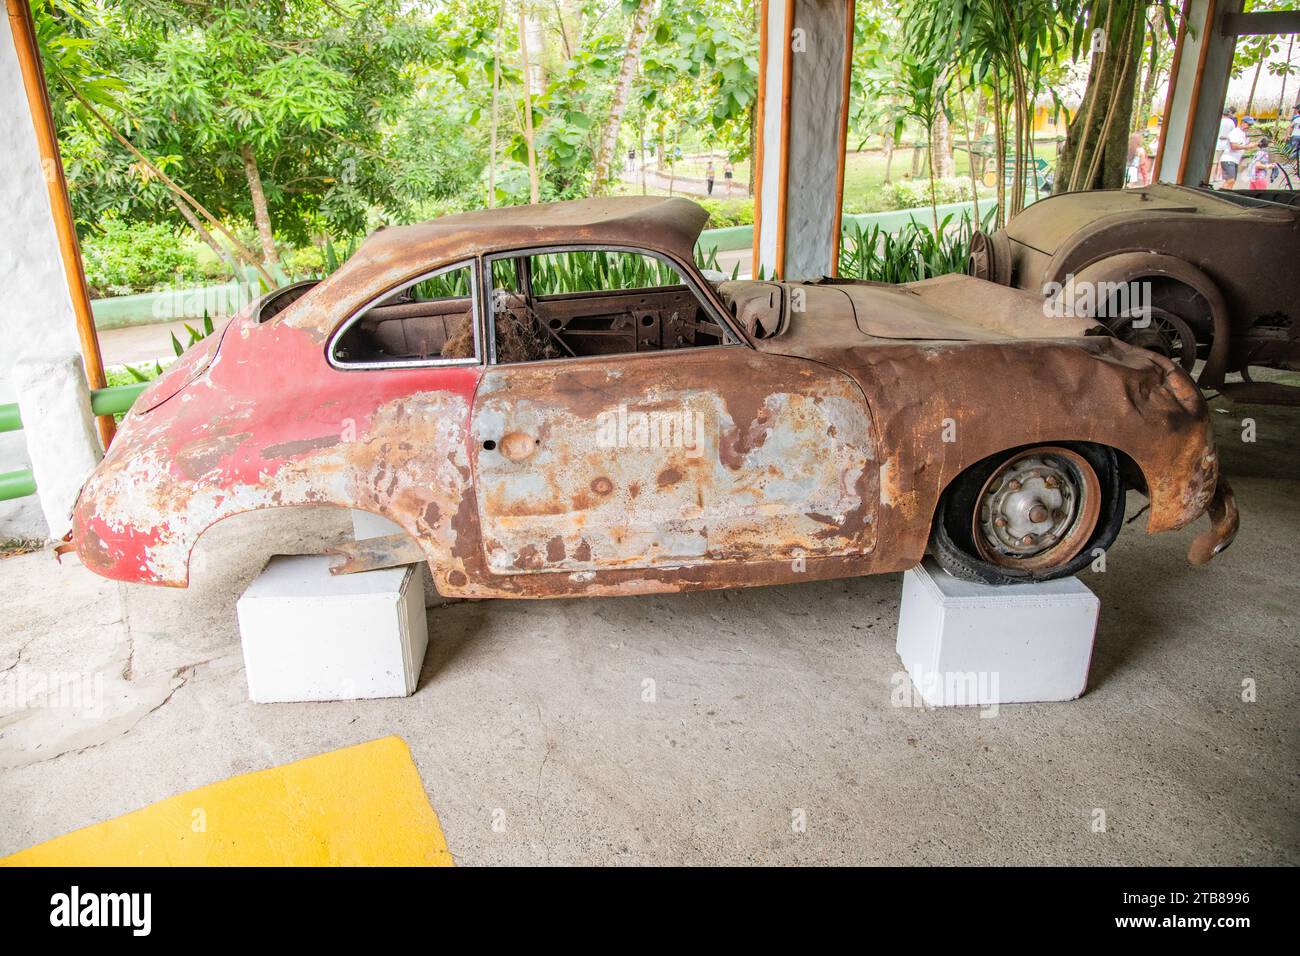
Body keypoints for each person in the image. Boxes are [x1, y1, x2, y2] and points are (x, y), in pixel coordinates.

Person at [1220, 114, 1248, 188]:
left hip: (1235, 160)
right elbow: (1234, 146)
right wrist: (1247, 146)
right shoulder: (1235, 132)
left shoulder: (1243, 134)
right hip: (1229, 159)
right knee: (1230, 180)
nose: (1249, 127)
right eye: (1248, 124)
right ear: (1243, 123)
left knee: (1232, 181)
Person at [1213, 107, 1237, 184]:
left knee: (1215, 162)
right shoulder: (1231, 122)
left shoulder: (1219, 121)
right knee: (1221, 161)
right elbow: (1233, 134)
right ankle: (1219, 176)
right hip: (1226, 144)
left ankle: (1212, 177)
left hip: (1217, 144)